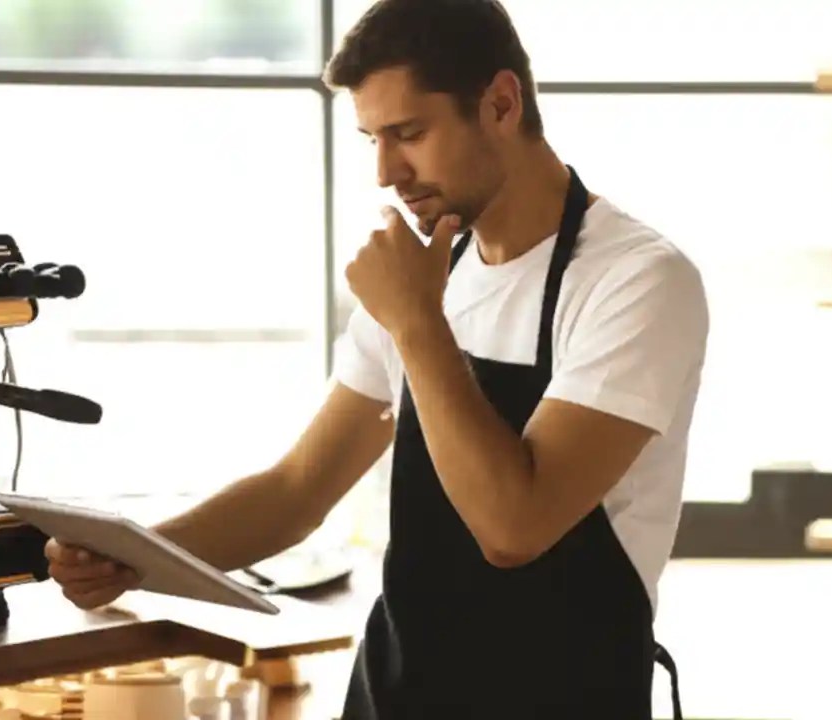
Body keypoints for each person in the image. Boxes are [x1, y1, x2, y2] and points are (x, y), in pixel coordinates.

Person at [43, 0, 708, 716]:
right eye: (372, 140)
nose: (388, 171)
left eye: (409, 133)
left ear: (501, 103)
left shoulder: (635, 280)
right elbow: (297, 491)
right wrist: (134, 557)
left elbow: (516, 527)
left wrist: (418, 321)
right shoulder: (422, 279)